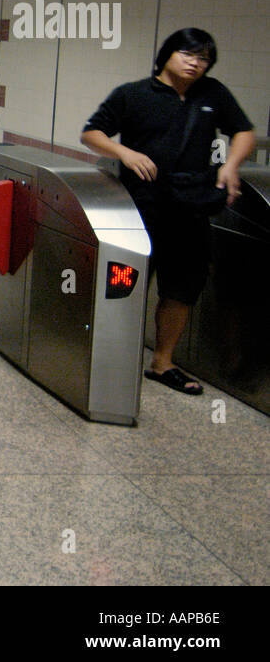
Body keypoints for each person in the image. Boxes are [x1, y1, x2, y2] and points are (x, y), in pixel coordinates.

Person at [81, 27, 255, 397]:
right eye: (188, 54)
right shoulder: (134, 94)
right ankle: (113, 357)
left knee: (182, 288)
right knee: (125, 284)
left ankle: (162, 362)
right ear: (168, 54)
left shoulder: (213, 94)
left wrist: (230, 165)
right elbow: (92, 133)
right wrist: (125, 153)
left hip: (190, 209)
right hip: (140, 207)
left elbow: (243, 132)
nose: (196, 63)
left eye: (204, 58)